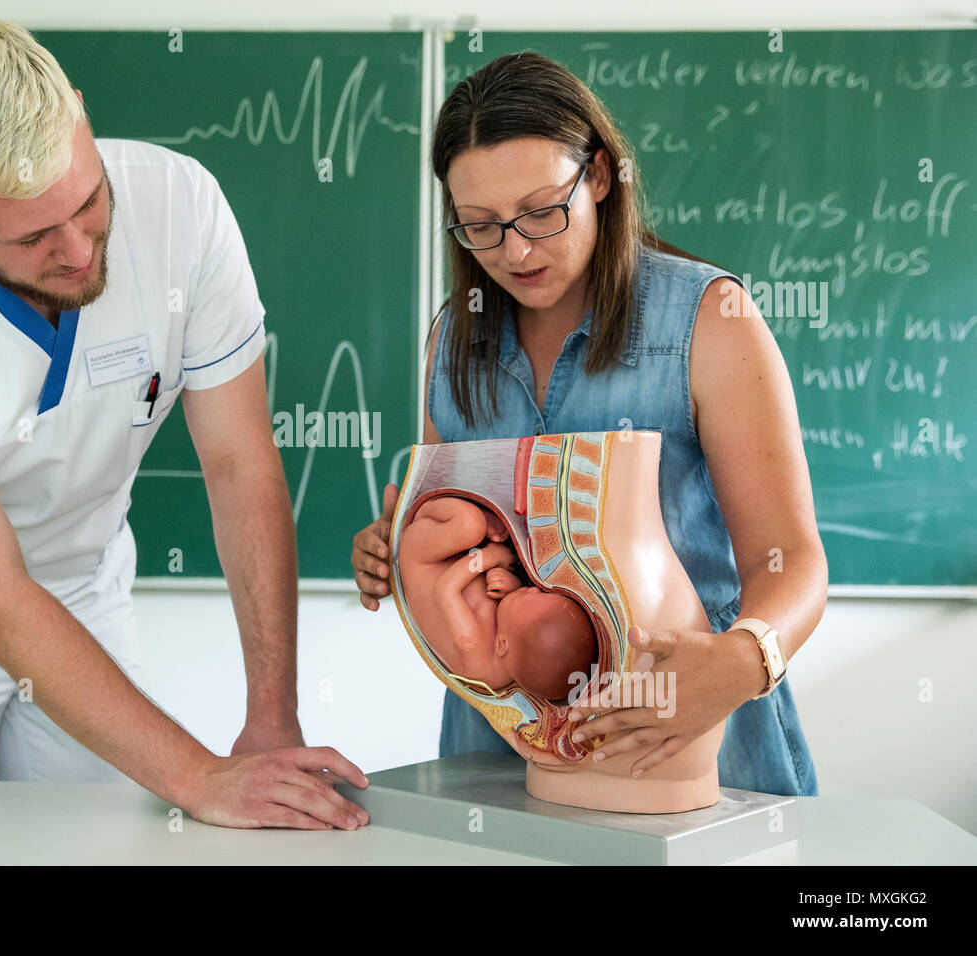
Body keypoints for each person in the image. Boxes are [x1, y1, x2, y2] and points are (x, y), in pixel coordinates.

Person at [0, 20, 368, 830]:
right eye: (32, 236)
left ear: (83, 117)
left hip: (80, 579)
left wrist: (270, 717)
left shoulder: (185, 207)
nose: (78, 250)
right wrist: (200, 777)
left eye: (91, 200)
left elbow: (239, 462)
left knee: (105, 838)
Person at [351, 51, 824, 796]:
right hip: (499, 743)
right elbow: (449, 517)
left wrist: (740, 662)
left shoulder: (710, 320)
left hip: (688, 736)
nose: (515, 249)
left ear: (600, 176)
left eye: (542, 211)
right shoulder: (455, 338)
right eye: (481, 225)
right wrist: (396, 546)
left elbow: (794, 562)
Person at [396, 495, 596, 701]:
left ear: (501, 644)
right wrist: (511, 588)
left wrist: (491, 557)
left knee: (470, 524)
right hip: (459, 562)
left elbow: (445, 590)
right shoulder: (514, 650)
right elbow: (506, 615)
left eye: (523, 596)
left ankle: (424, 510)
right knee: (476, 531)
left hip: (424, 557)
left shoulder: (470, 645)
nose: (533, 590)